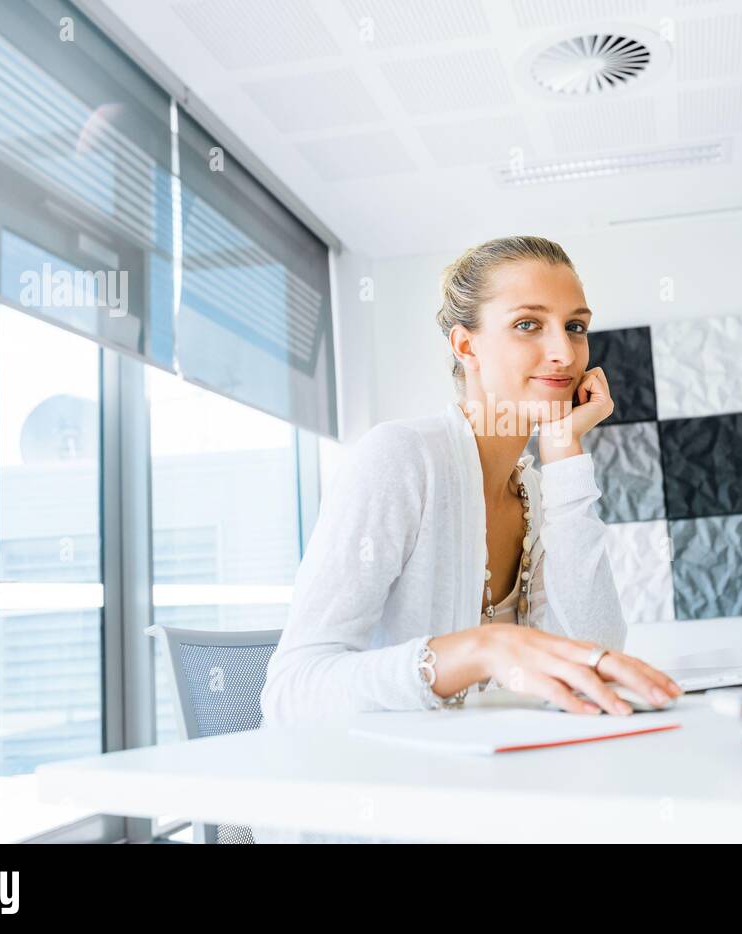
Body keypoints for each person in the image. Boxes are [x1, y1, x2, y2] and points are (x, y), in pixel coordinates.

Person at [259, 235, 682, 728]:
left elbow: (594, 656)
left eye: (575, 327)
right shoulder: (399, 458)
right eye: (528, 324)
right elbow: (291, 691)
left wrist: (564, 451)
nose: (564, 353)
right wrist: (479, 650)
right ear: (466, 345)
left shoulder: (537, 493)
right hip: (383, 788)